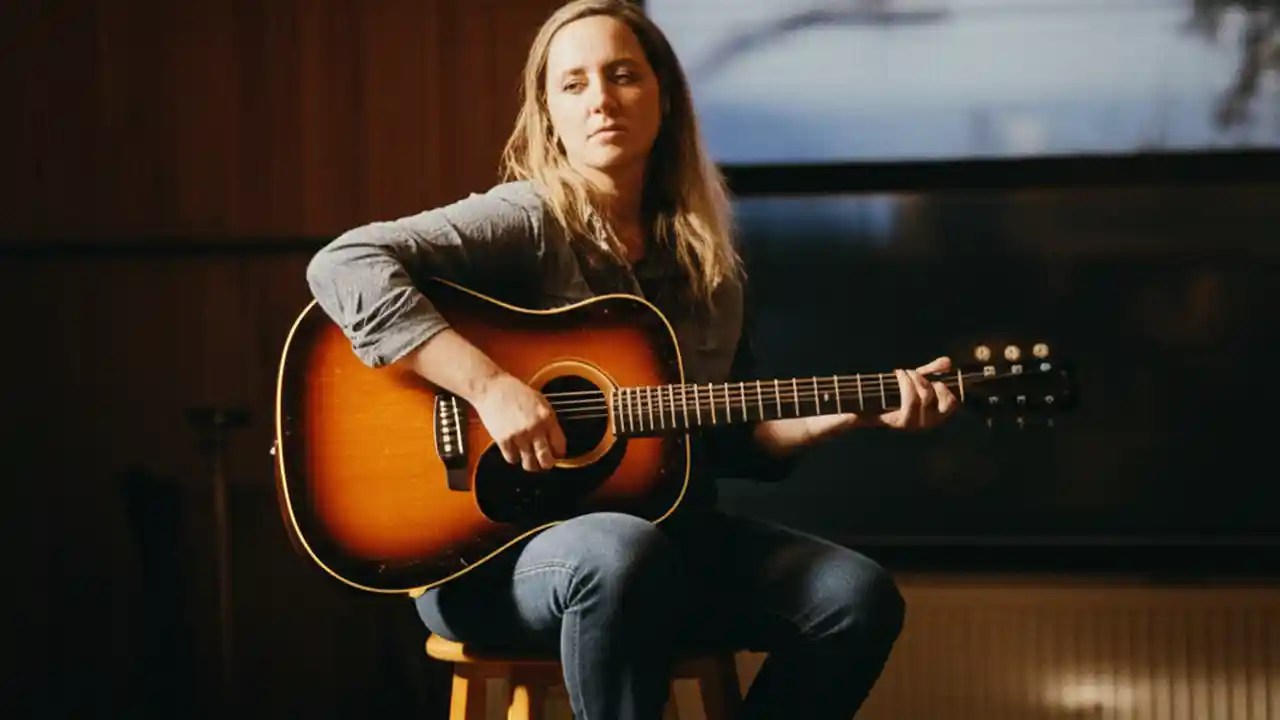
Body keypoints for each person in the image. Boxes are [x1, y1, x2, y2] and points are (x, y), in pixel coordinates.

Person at [305, 1, 958, 717]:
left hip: (664, 548)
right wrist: (490, 386)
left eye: (623, 76)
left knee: (853, 598)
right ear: (548, 111)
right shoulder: (526, 221)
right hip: (491, 560)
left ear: (665, 96)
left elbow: (732, 439)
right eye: (574, 83)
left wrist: (851, 411)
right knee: (620, 552)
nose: (602, 100)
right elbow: (346, 263)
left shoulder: (706, 265)